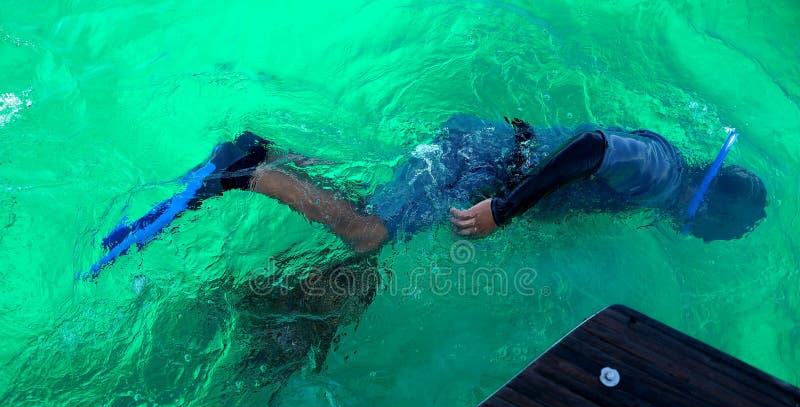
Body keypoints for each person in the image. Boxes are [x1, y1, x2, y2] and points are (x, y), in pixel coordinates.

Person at [239, 114, 766, 251]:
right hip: (482, 165)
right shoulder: (663, 174)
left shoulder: (667, 172)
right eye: (703, 231)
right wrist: (506, 209)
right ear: (707, 210)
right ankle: (246, 174)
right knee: (370, 234)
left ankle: (270, 154)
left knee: (377, 192)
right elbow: (592, 146)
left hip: (484, 155)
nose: (689, 233)